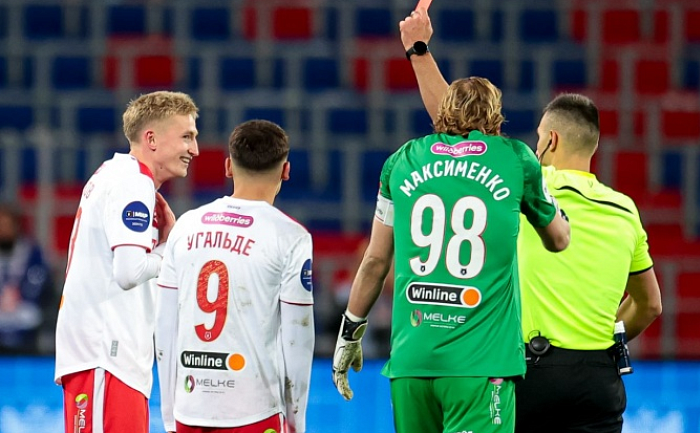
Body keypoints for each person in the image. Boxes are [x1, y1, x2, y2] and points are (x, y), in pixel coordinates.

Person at [398, 9, 663, 433]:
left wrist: (419, 51)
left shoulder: (526, 182)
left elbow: (461, 136)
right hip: (598, 380)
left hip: (531, 371)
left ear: (550, 140)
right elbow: (650, 305)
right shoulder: (625, 210)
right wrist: (605, 340)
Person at [331, 68, 572, 433]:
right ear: (495, 118)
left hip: (411, 364)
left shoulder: (402, 160)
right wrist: (551, 200)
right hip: (481, 365)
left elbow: (375, 261)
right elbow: (558, 240)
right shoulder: (516, 159)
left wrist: (349, 333)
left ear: (441, 112)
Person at [154, 119, 315, 433]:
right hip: (255, 411)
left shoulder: (185, 226)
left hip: (190, 410)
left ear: (228, 166)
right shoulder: (291, 237)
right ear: (286, 171)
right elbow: (298, 337)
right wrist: (297, 421)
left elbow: (164, 325)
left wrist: (170, 415)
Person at [54, 91, 199, 433]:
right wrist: (170, 249)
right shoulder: (133, 183)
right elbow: (128, 271)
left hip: (111, 357)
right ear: (152, 139)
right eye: (186, 136)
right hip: (106, 356)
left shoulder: (116, 174)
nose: (194, 149)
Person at [0, 203, 53, 354]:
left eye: (7, 225)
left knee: (31, 315)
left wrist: (20, 298)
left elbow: (39, 279)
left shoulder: (32, 252)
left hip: (23, 310)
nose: (3, 230)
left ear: (16, 226)